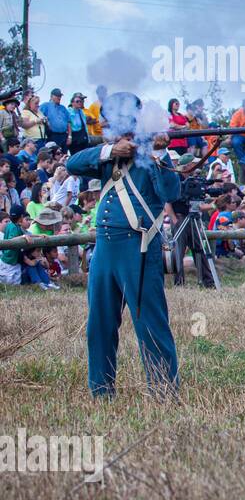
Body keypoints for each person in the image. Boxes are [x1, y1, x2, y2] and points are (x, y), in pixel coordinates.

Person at [66, 93, 184, 397]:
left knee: (150, 322)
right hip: (105, 247)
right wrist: (110, 149)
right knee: (100, 324)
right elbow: (73, 163)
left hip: (139, 245)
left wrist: (160, 154)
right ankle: (101, 390)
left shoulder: (154, 154)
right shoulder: (110, 155)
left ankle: (163, 390)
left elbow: (171, 191)